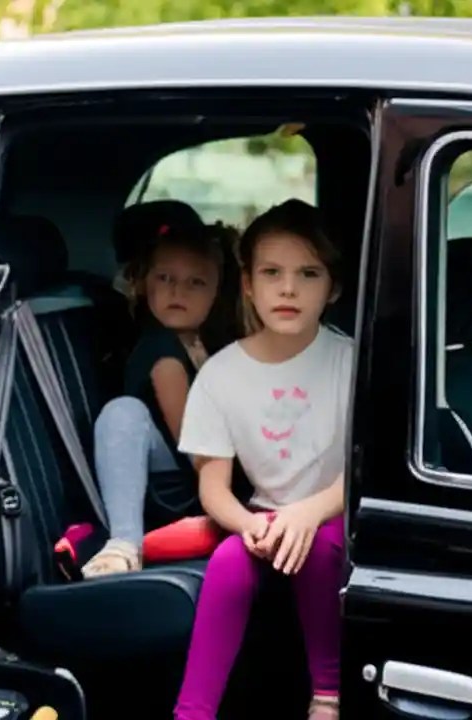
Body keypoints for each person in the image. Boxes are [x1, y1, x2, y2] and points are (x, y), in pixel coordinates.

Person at [173, 200, 353, 719]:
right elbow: (213, 489)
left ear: (333, 288)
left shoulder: (350, 362)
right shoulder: (221, 375)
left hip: (336, 515)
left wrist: (310, 511)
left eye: (308, 274)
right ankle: (192, 712)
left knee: (317, 548)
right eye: (272, 273)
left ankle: (328, 696)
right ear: (248, 284)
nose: (289, 289)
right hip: (264, 519)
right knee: (230, 560)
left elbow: (362, 473)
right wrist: (250, 525)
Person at [81, 221, 237, 577]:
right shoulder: (163, 352)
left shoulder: (205, 346)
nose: (178, 291)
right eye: (165, 278)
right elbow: (195, 442)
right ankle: (124, 543)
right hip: (178, 492)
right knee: (124, 412)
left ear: (217, 293)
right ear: (144, 283)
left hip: (204, 483)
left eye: (196, 282)